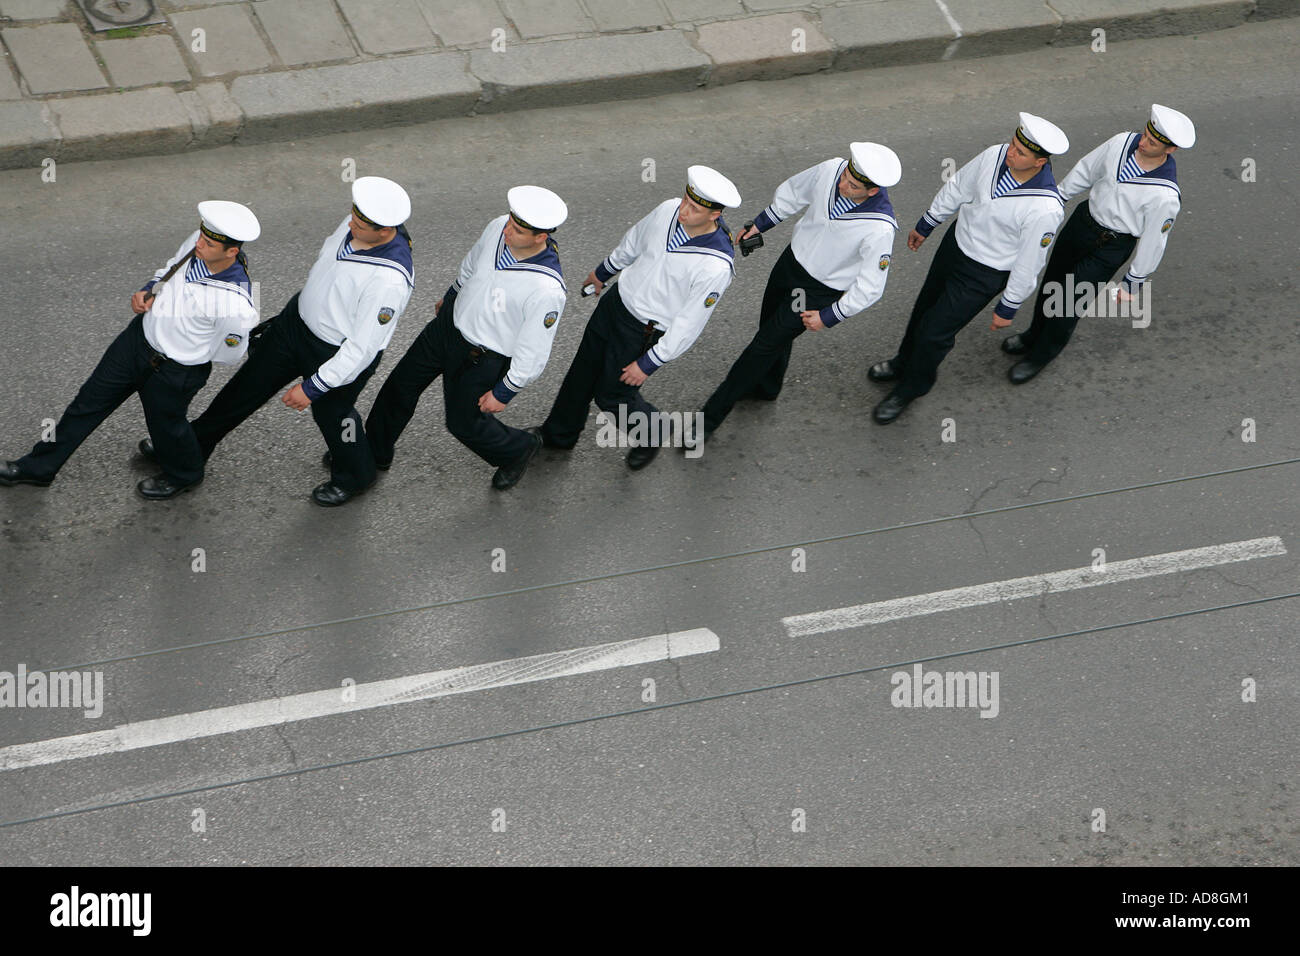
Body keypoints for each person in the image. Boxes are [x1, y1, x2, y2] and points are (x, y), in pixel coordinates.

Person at [151, 177, 414, 506]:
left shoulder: (389, 280)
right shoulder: (359, 227)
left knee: (334, 418)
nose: (350, 223)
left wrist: (314, 386)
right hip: (294, 327)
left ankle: (357, 474)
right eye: (353, 215)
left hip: (335, 352)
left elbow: (361, 349)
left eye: (360, 223)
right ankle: (189, 450)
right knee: (241, 392)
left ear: (385, 231)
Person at [1, 201, 260, 499]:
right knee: (85, 405)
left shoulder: (237, 305)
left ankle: (185, 474)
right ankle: (38, 468)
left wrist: (184, 350)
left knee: (167, 427)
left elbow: (229, 353)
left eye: (209, 243)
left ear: (232, 252)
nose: (200, 243)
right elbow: (171, 268)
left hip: (175, 371)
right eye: (202, 236)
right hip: (136, 343)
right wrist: (149, 290)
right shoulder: (199, 243)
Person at [868, 113, 1069, 424]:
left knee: (935, 333)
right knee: (924, 310)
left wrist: (1009, 305)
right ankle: (903, 361)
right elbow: (959, 185)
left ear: (1039, 163)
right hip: (956, 247)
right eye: (1013, 143)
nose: (1010, 152)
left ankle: (912, 387)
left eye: (1020, 152)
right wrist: (928, 223)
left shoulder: (1045, 208)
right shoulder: (995, 154)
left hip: (984, 274)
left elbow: (1030, 262)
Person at [364, 186, 568, 491]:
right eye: (511, 222)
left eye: (518, 229)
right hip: (448, 327)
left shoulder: (547, 289)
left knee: (462, 424)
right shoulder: (500, 226)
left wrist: (505, 391)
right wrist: (452, 295)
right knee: (400, 387)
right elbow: (473, 262)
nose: (507, 230)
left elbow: (535, 349)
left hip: (481, 356)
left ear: (541, 237)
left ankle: (518, 448)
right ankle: (373, 453)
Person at [539, 165, 741, 469]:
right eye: (686, 200)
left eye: (695, 208)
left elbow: (689, 324)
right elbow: (634, 241)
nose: (684, 210)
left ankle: (653, 431)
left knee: (613, 395)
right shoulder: (668, 209)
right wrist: (603, 272)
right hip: (616, 304)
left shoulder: (715, 266)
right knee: (582, 373)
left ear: (715, 215)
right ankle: (558, 435)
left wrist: (649, 362)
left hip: (643, 331)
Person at [701, 142, 901, 439]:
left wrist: (830, 315)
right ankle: (767, 387)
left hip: (816, 291)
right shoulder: (831, 169)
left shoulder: (881, 228)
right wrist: (758, 226)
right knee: (768, 329)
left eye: (853, 185)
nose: (843, 183)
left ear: (873, 191)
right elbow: (794, 193)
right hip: (790, 263)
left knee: (762, 346)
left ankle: (708, 420)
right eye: (846, 175)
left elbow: (872, 288)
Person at [1002, 104, 1194, 383]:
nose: (1142, 142)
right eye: (1145, 134)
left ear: (1170, 149)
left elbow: (1155, 239)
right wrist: (1060, 197)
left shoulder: (1165, 195)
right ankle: (1033, 334)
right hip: (1082, 223)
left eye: (1152, 142)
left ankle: (1041, 355)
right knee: (1051, 282)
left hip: (1111, 246)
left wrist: (1133, 281)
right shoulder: (1121, 142)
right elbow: (1088, 169)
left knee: (1068, 303)